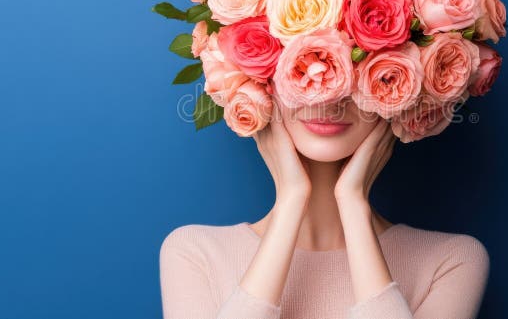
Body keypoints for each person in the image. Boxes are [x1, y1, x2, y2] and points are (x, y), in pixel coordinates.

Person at [159, 96, 490, 319]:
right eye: (300, 67)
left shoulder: (451, 261)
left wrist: (353, 202)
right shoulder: (194, 253)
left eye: (354, 66)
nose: (327, 98)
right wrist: (290, 200)